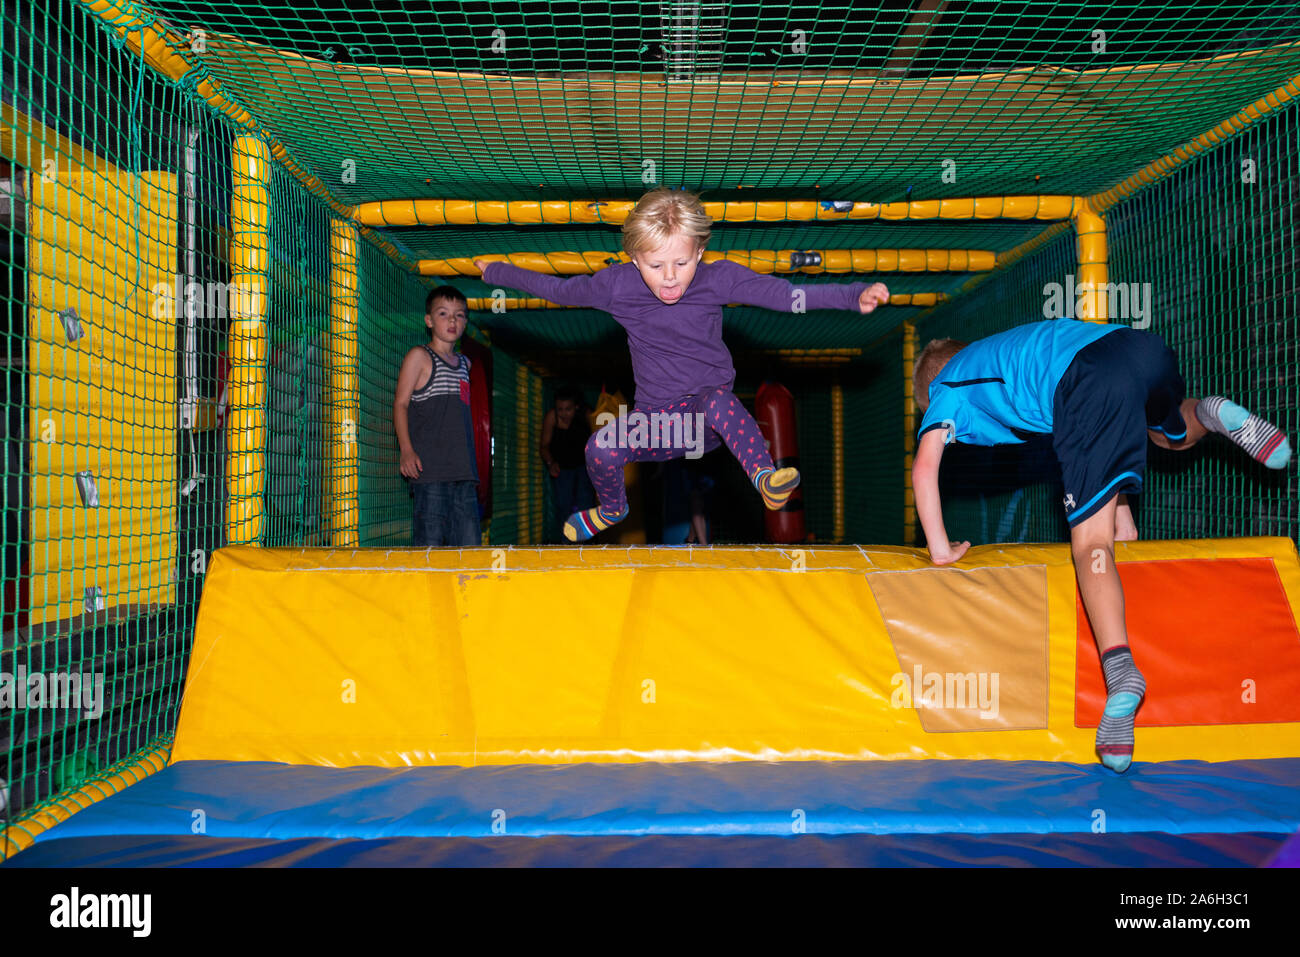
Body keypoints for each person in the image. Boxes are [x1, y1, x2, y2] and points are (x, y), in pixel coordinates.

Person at [911, 319, 1291, 772]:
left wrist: (940, 550)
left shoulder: (948, 386)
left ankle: (1120, 673)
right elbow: (1106, 425)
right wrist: (1122, 517)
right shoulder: (1011, 355)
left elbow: (923, 469)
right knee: (1166, 436)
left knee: (1090, 545)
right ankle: (1210, 412)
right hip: (1140, 350)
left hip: (1086, 377)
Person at [474, 187, 888, 542]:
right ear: (634, 258)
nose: (670, 277)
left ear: (700, 251)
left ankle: (765, 479)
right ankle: (612, 510)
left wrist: (852, 296)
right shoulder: (616, 286)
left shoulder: (718, 278)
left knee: (717, 400)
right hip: (656, 425)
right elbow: (558, 291)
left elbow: (783, 296)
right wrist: (496, 270)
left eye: (682, 263)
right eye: (656, 266)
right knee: (598, 448)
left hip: (705, 425)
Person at [393, 285, 480, 546]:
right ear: (429, 321)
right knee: (430, 550)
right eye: (444, 314)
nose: (452, 320)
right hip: (430, 473)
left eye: (460, 315)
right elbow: (400, 404)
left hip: (463, 473)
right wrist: (406, 450)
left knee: (469, 550)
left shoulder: (466, 364)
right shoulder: (420, 357)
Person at [540, 387, 596, 542]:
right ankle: (566, 545)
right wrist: (551, 463)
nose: (564, 413)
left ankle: (587, 544)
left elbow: (598, 442)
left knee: (585, 504)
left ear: (576, 407)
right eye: (560, 409)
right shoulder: (552, 417)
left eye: (568, 409)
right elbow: (544, 446)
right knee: (563, 506)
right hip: (563, 468)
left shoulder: (586, 415)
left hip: (584, 467)